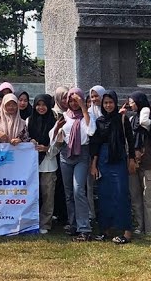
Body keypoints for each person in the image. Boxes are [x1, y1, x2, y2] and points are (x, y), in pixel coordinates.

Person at [88, 90, 132, 244]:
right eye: (105, 103)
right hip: (103, 159)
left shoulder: (122, 119)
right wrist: (93, 165)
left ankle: (126, 232)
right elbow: (95, 144)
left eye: (110, 102)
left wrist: (131, 159)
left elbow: (130, 140)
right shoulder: (99, 121)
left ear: (115, 103)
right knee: (104, 195)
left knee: (121, 194)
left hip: (118, 158)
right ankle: (105, 230)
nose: (108, 105)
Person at [53, 88, 95, 240]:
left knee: (79, 190)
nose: (73, 103)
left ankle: (84, 227)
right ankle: (74, 224)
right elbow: (53, 135)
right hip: (66, 154)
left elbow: (91, 131)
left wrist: (83, 107)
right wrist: (57, 128)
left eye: (76, 100)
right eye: (71, 101)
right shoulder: (64, 116)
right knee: (69, 192)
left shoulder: (87, 116)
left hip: (82, 155)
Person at [125, 91, 151, 237]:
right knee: (136, 196)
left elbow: (145, 124)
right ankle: (139, 225)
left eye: (132, 101)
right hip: (133, 161)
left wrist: (145, 110)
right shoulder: (132, 119)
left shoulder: (148, 118)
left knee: (148, 196)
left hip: (148, 162)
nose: (130, 104)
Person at [26, 93, 59, 234]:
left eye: (43, 104)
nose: (41, 107)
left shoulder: (55, 121)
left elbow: (59, 143)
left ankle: (46, 223)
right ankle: (31, 221)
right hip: (31, 164)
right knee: (33, 194)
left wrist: (47, 149)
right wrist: (30, 142)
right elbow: (23, 138)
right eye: (38, 104)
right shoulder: (28, 120)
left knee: (48, 194)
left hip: (48, 162)